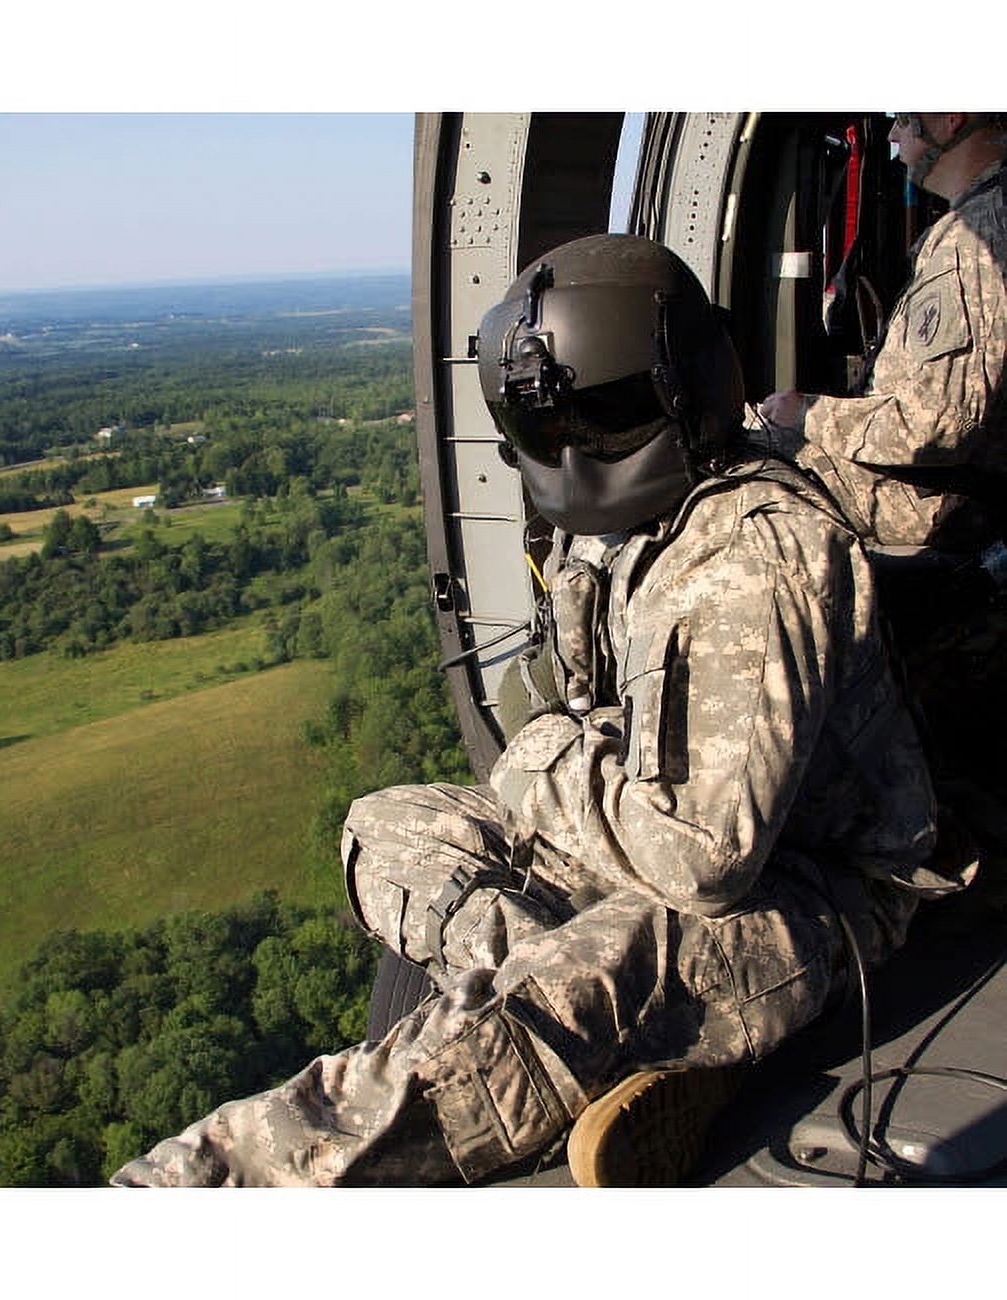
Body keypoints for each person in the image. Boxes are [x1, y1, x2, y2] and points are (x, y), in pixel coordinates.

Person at [110, 235, 955, 1189]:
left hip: (818, 891)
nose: (559, 448)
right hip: (645, 821)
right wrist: (561, 756)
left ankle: (204, 1185)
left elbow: (703, 860)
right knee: (387, 833)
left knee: (588, 980)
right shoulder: (643, 517)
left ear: (661, 399)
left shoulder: (752, 556)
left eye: (581, 419)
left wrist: (543, 753)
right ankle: (625, 1047)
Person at [758, 112, 1007, 552]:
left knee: (747, 478)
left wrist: (807, 413)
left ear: (952, 119)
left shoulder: (973, 241)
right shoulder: (977, 222)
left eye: (906, 118)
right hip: (940, 487)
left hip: (932, 503)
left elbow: (938, 426)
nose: (893, 133)